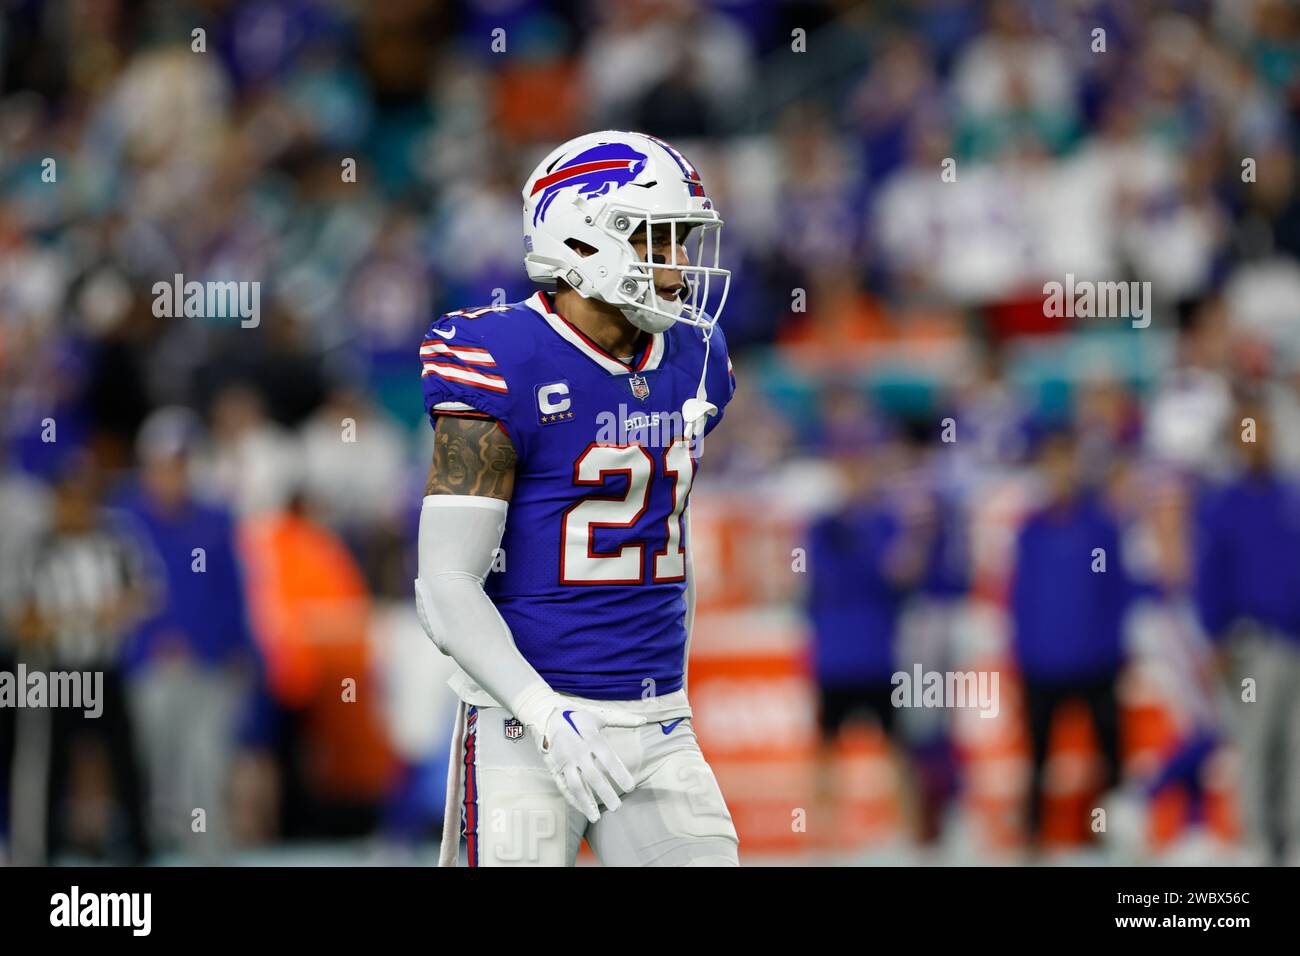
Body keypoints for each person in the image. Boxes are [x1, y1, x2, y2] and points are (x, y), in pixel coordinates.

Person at [413, 131, 739, 867]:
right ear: (586, 241)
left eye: (683, 242)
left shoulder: (696, 356)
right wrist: (545, 716)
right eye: (659, 240)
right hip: (522, 725)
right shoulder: (502, 358)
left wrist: (668, 697)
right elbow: (445, 583)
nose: (679, 266)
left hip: (656, 722)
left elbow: (665, 533)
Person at [1010, 427, 1133, 847]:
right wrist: (1023, 654)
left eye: (1067, 462)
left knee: (1108, 754)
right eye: (1053, 464)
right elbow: (1021, 598)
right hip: (1043, 663)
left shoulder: (1100, 527)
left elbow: (1117, 591)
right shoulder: (1031, 531)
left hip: (1095, 660)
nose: (1060, 473)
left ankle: (1107, 836)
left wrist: (1114, 650)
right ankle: (1034, 838)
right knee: (1039, 756)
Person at [1193, 399, 1300, 864]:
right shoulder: (1224, 505)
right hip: (1252, 644)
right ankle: (1259, 840)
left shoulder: (1290, 496)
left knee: (1296, 745)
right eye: (1247, 433)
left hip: (1295, 641)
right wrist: (1214, 636)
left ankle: (1292, 837)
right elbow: (1209, 577)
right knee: (1258, 744)